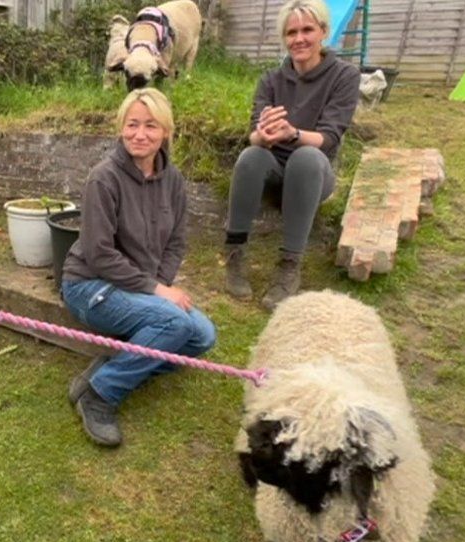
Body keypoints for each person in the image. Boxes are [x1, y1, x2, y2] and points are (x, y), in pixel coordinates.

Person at [60, 88, 217, 447]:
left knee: (203, 336)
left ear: (166, 131)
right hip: (89, 285)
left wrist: (156, 287)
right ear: (121, 128)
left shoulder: (174, 181)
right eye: (132, 124)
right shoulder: (104, 178)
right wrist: (159, 293)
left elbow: (176, 242)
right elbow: (99, 254)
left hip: (138, 286)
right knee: (174, 323)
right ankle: (100, 395)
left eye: (150, 125)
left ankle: (111, 367)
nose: (140, 134)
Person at [224, 0, 360, 311]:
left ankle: (289, 266)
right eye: (291, 32)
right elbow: (254, 132)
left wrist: (292, 133)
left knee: (306, 156)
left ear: (323, 32)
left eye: (307, 30)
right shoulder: (271, 80)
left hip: (315, 173)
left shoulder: (344, 76)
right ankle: (234, 254)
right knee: (251, 155)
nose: (299, 39)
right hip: (274, 169)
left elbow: (329, 137)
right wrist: (264, 133)